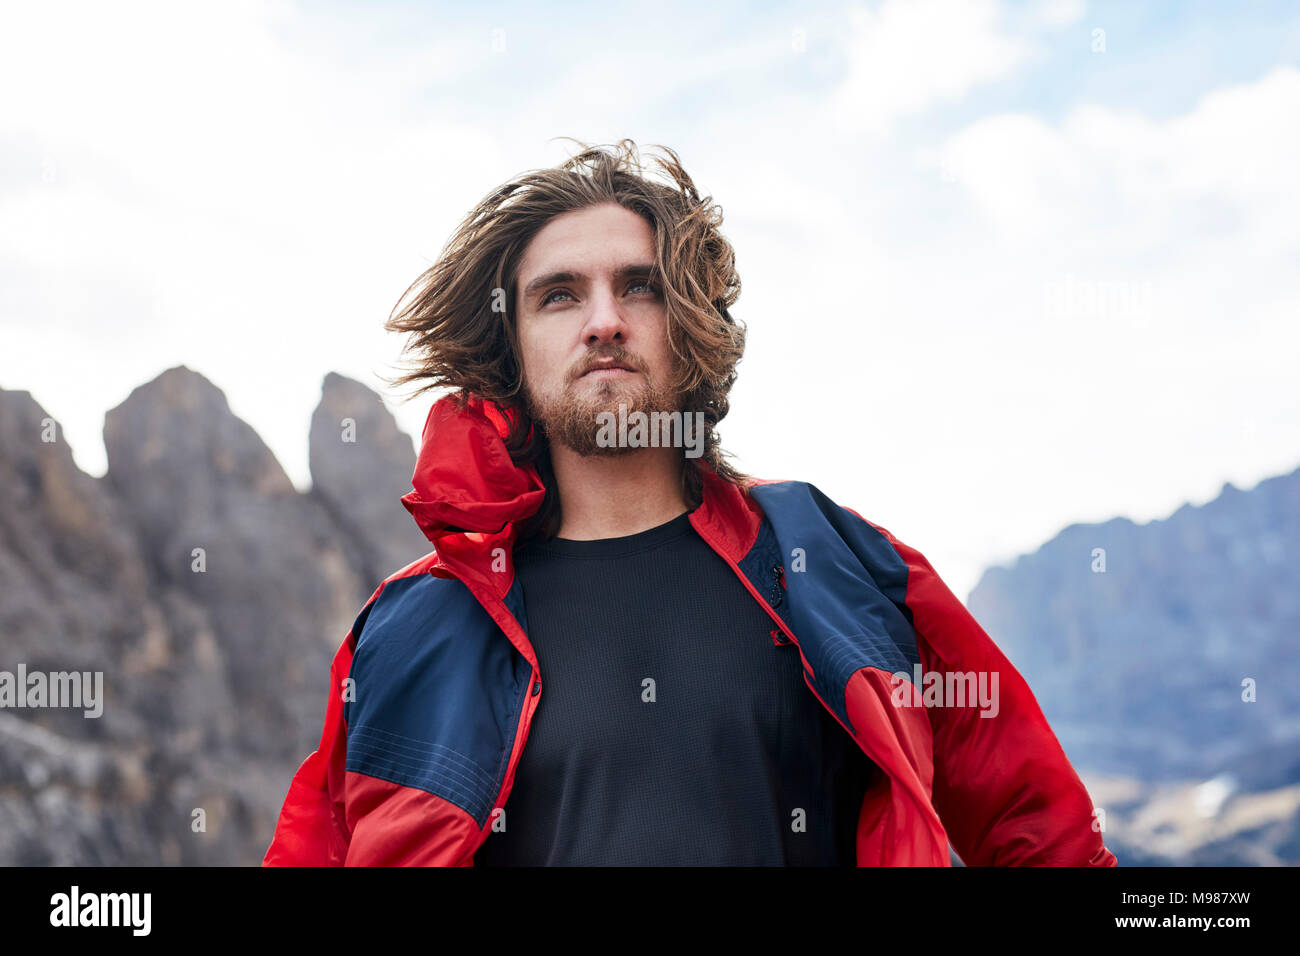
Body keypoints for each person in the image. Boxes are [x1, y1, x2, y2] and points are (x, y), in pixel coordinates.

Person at [261, 139, 1117, 867]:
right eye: (559, 294)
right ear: (512, 347)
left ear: (690, 327)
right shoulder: (416, 625)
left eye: (639, 287)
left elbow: (1043, 833)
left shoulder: (836, 562)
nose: (603, 321)